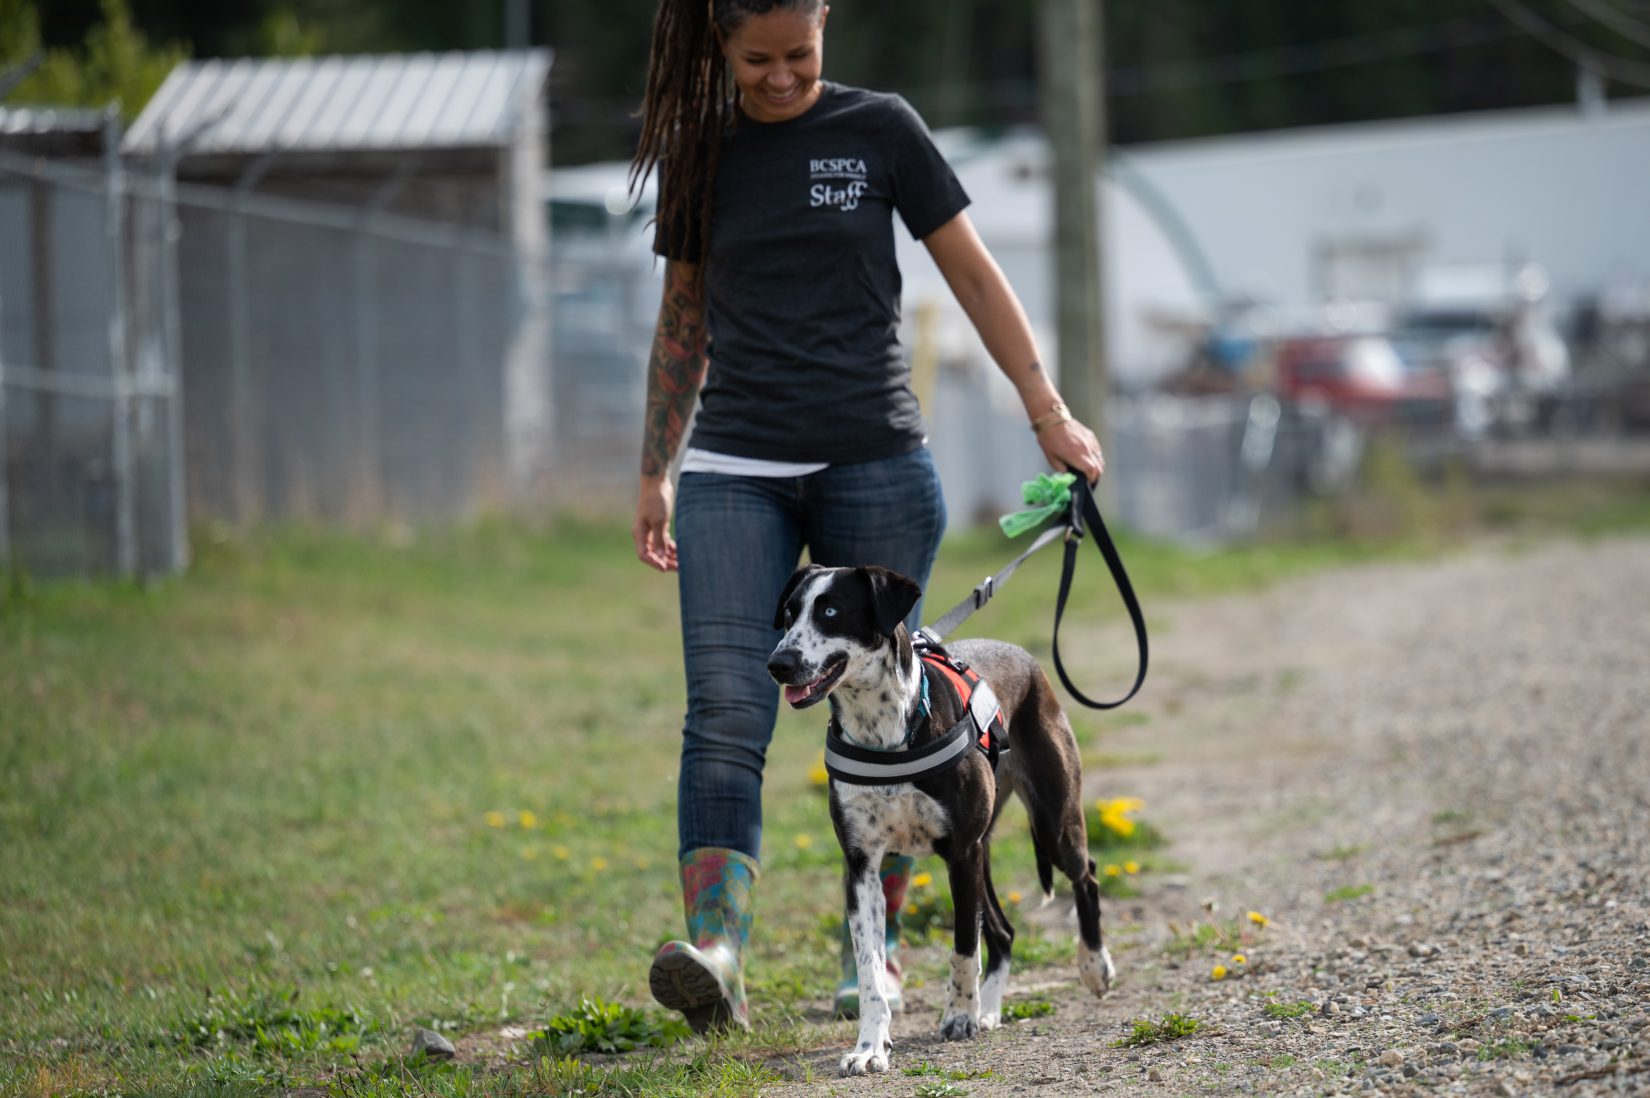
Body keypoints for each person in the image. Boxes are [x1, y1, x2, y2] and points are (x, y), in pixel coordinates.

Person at [628, 0, 1104, 1033]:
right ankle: (716, 950)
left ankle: (874, 961)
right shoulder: (700, 151)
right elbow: (683, 313)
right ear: (721, 47)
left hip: (876, 463)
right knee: (725, 710)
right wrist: (656, 464)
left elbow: (971, 270)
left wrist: (1048, 410)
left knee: (894, 715)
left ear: (824, 28)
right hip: (734, 465)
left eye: (800, 53)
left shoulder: (882, 128)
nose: (782, 75)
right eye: (757, 59)